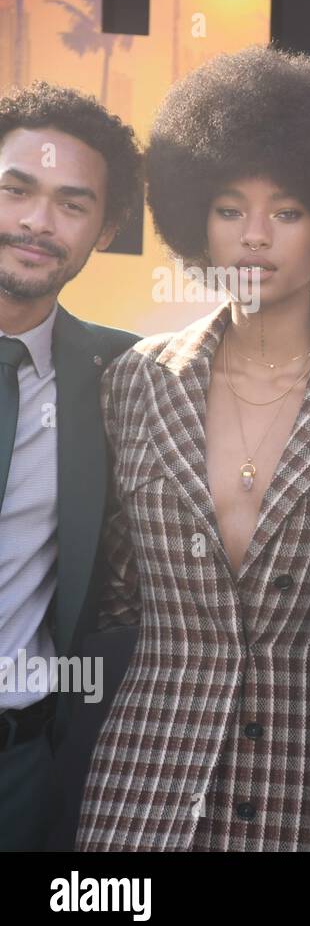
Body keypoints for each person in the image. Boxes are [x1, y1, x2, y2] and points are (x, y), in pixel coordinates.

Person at [76, 47, 310, 851]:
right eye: (229, 210)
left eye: (287, 213)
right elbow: (111, 589)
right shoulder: (136, 383)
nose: (255, 238)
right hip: (143, 790)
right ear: (197, 221)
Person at [0, 82, 142, 851]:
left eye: (71, 204)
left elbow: (259, 369)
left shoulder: (122, 374)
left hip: (19, 771)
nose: (36, 221)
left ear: (105, 229)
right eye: (15, 189)